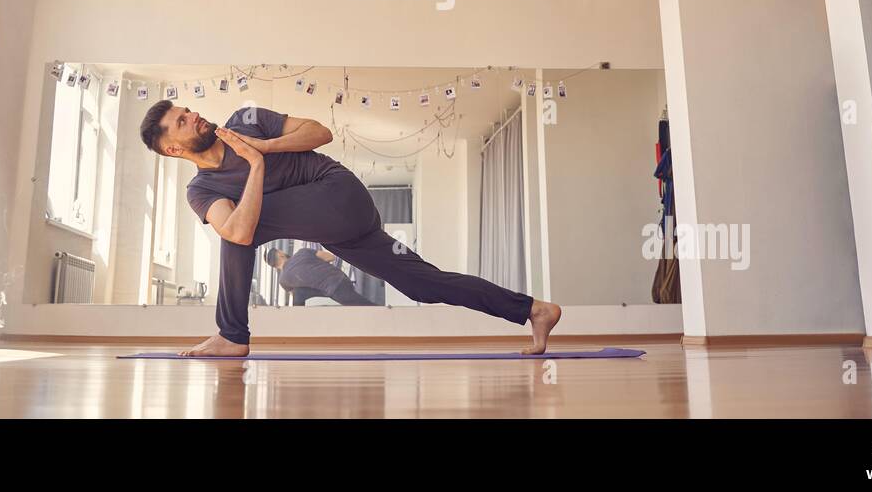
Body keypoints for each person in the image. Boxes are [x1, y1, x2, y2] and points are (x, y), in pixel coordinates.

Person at [139, 101, 562, 356]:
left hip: (338, 194)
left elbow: (318, 132)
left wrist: (263, 147)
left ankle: (232, 335)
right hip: (339, 233)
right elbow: (237, 231)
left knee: (236, 231)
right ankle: (532, 310)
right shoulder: (202, 189)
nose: (192, 116)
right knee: (423, 285)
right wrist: (255, 166)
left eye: (186, 111)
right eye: (181, 122)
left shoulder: (247, 119)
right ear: (174, 149)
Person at [264, 246, 379, 306]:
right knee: (362, 305)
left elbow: (297, 296)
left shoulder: (283, 281)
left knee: (362, 306)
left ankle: (300, 323)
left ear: (274, 266)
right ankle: (386, 313)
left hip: (332, 289)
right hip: (339, 280)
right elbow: (331, 257)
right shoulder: (302, 252)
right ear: (280, 254)